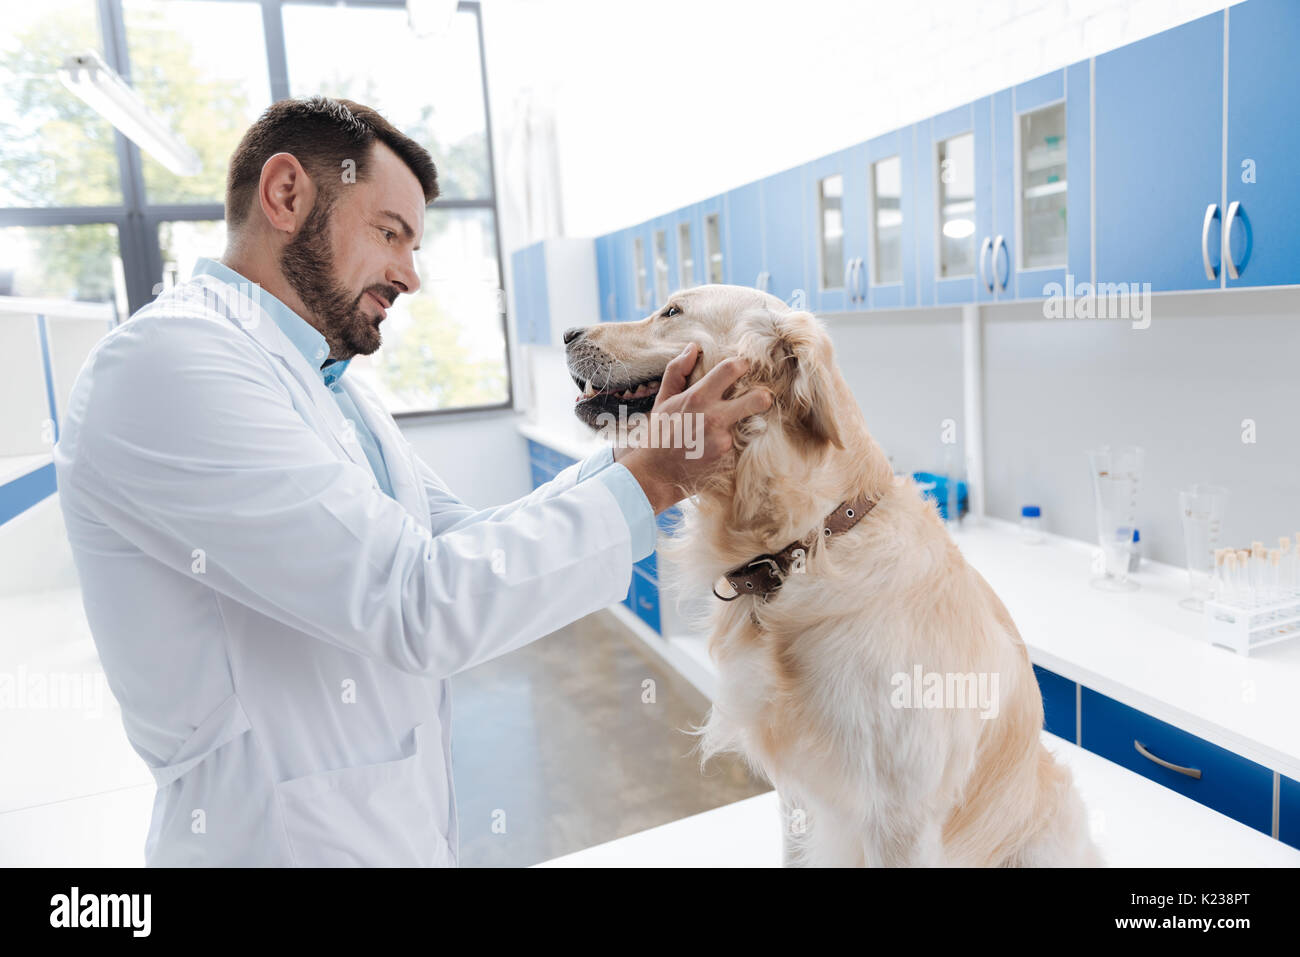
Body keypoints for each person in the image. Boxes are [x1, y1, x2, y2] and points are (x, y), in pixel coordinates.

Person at [53, 96, 771, 866]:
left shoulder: (327, 383)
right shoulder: (170, 364)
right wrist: (653, 477)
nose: (410, 274)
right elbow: (415, 599)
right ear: (286, 195)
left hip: (380, 828)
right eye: (390, 232)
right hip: (272, 840)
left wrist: (643, 461)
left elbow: (462, 540)